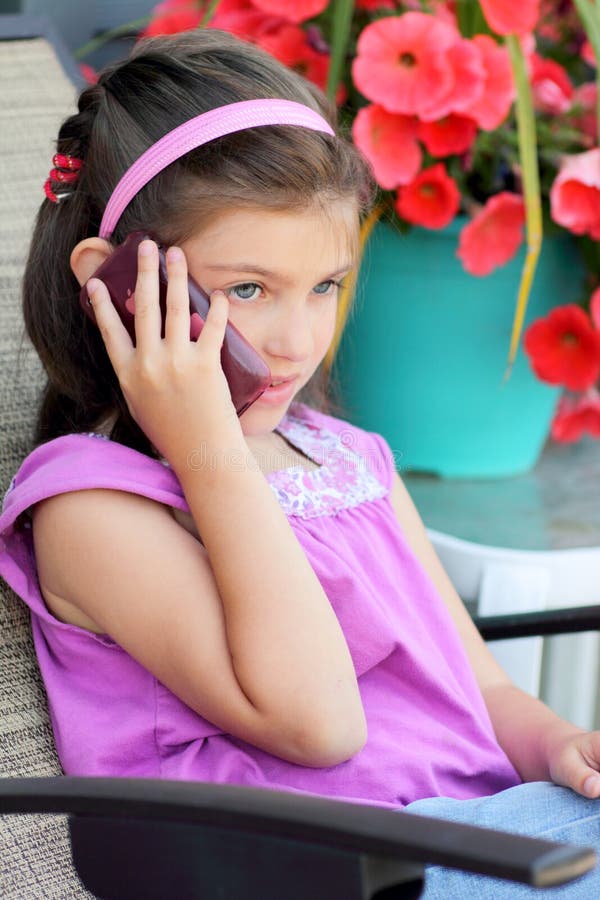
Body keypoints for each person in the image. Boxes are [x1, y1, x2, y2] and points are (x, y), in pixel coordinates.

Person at [0, 28, 599, 898]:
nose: (298, 341)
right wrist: (208, 445)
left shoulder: (350, 459)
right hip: (331, 870)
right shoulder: (95, 506)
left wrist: (557, 747)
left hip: (494, 837)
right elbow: (318, 724)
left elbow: (484, 693)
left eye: (325, 287)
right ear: (117, 287)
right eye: (249, 290)